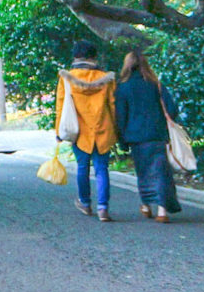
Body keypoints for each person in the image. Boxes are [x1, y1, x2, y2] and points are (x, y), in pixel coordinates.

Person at [115, 49, 184, 223]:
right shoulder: (156, 84)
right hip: (157, 134)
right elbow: (172, 109)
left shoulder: (123, 87)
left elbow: (121, 116)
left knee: (143, 172)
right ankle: (162, 211)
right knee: (161, 172)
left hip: (136, 137)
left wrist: (122, 140)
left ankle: (146, 205)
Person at [56, 39, 119, 221]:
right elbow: (113, 105)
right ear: (94, 56)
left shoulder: (67, 78)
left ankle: (85, 202)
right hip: (103, 129)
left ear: (76, 56)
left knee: (82, 167)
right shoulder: (106, 78)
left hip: (79, 131)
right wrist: (116, 128)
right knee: (102, 169)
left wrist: (59, 131)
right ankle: (103, 208)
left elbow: (61, 105)